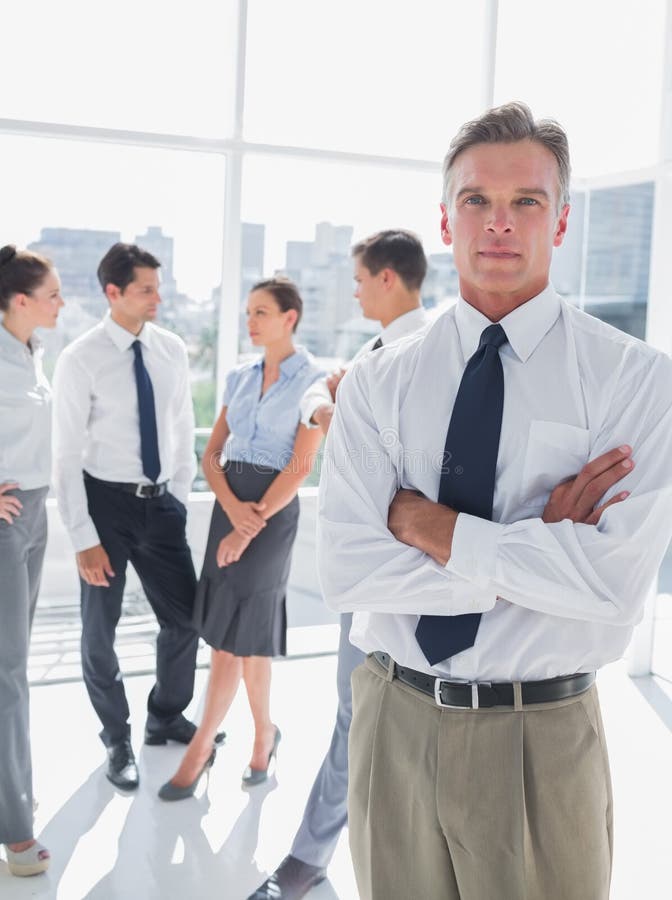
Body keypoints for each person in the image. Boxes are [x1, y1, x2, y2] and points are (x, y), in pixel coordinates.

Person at [317, 101, 672, 900]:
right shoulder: (379, 379)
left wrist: (427, 523)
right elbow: (348, 570)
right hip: (393, 719)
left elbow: (613, 588)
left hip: (540, 735)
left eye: (527, 202)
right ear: (446, 221)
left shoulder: (638, 381)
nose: (499, 223)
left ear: (563, 219)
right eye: (477, 200)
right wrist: (538, 548)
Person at [249, 230, 429, 899]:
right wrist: (333, 401)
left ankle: (307, 860)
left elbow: (398, 450)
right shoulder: (374, 351)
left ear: (387, 278)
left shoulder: (425, 353)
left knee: (366, 716)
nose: (353, 290)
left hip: (399, 567)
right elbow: (317, 405)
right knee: (357, 713)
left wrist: (338, 404)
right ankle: (319, 859)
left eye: (358, 279)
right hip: (363, 567)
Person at [158, 276, 324, 801]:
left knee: (232, 640)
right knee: (247, 640)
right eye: (248, 312)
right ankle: (263, 735)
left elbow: (301, 464)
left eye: (261, 312)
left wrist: (251, 526)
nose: (250, 321)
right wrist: (233, 514)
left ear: (289, 317)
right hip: (234, 503)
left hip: (272, 512)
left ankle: (200, 747)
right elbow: (213, 455)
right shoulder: (236, 376)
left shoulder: (313, 380)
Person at [52, 242, 205, 792]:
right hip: (104, 506)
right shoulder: (81, 358)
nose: (157, 298)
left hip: (160, 504)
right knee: (100, 632)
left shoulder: (171, 349)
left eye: (158, 287)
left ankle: (165, 713)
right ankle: (116, 736)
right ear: (113, 293)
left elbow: (183, 426)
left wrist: (180, 497)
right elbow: (66, 455)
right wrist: (83, 536)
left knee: (187, 619)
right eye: (146, 289)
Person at [0, 245, 64, 876]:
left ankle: (8, 791)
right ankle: (16, 829)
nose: (60, 304)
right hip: (6, 516)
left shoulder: (29, 352)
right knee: (9, 674)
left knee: (9, 668)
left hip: (33, 513)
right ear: (20, 301)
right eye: (51, 294)